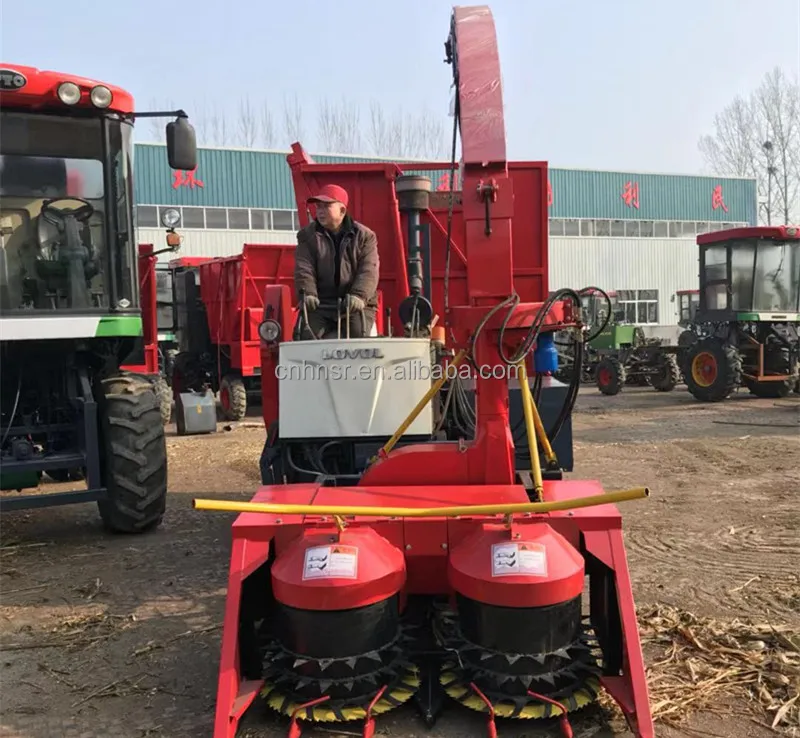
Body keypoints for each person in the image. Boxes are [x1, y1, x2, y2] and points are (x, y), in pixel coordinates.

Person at [293, 184, 379, 339]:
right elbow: (304, 269)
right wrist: (309, 294)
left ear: (342, 210)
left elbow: (368, 269)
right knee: (304, 337)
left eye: (326, 206)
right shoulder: (306, 236)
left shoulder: (365, 236)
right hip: (321, 304)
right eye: (318, 206)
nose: (319, 211)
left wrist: (359, 296)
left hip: (354, 303)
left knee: (359, 338)